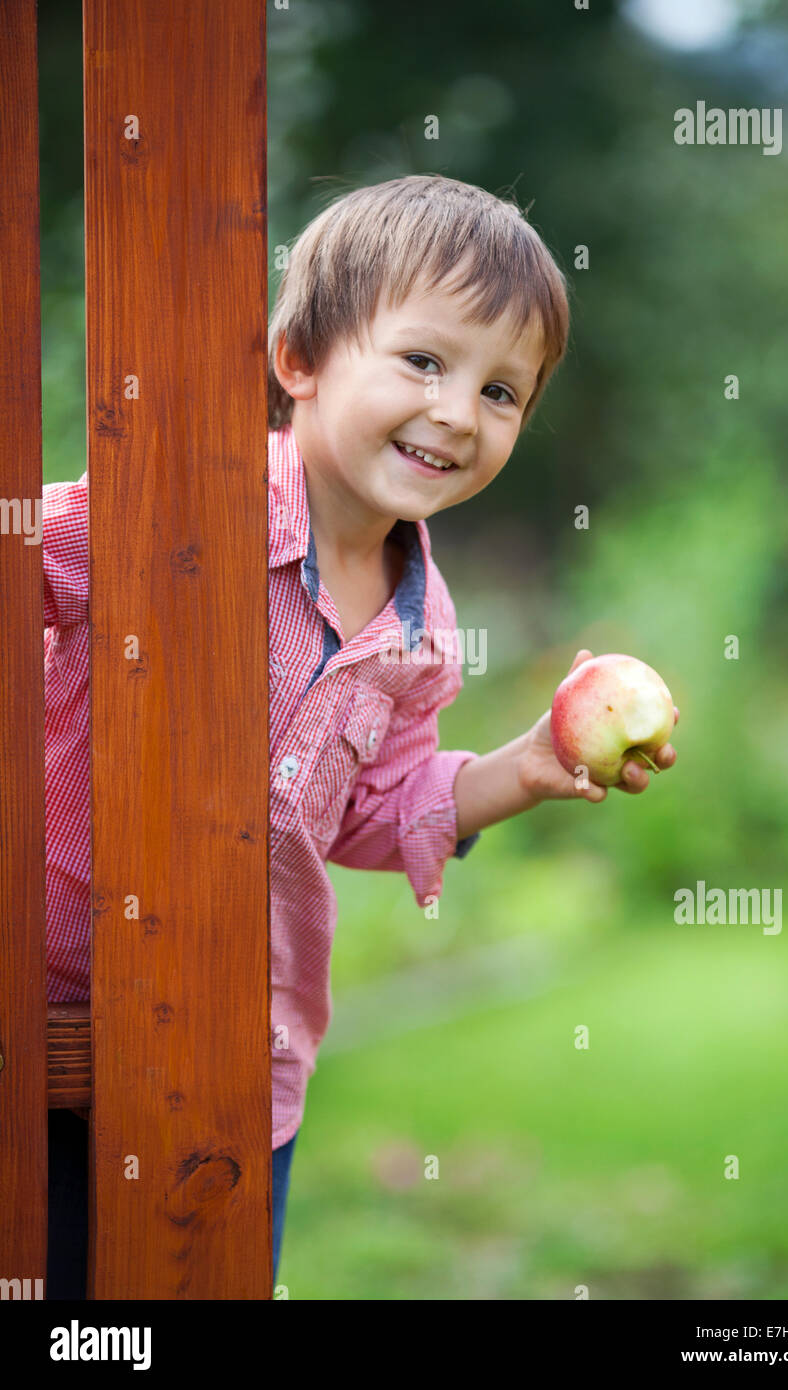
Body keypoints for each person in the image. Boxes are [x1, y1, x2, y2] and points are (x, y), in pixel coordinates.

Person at [41, 172, 678, 1298]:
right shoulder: (174, 508)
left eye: (500, 391)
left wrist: (522, 768)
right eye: (423, 361)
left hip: (232, 1053)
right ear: (301, 358)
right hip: (42, 1004)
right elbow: (29, 558)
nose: (454, 412)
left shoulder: (422, 628)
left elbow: (377, 813)